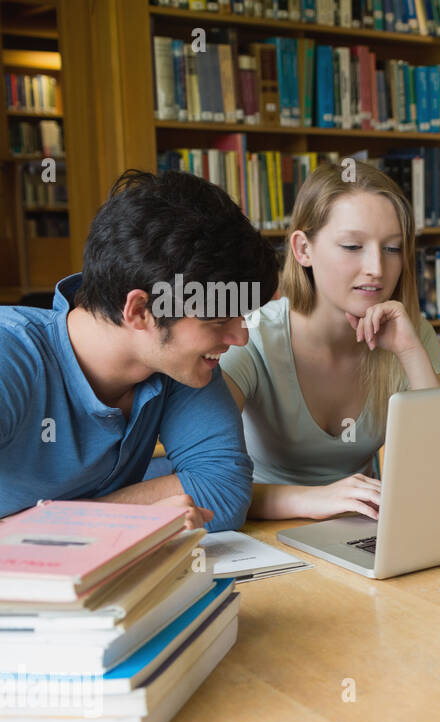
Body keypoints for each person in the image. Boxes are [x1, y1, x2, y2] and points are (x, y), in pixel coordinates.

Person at [0, 169, 276, 531]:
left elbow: (223, 491)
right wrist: (129, 519)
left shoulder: (177, 364)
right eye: (218, 319)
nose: (240, 337)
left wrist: (63, 526)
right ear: (140, 311)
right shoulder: (11, 356)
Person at [222, 162, 440, 521]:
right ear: (303, 249)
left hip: (363, 530)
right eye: (352, 246)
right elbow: (209, 487)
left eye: (391, 248)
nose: (376, 267)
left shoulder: (410, 333)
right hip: (259, 533)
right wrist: (313, 500)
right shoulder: (248, 338)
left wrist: (408, 351)